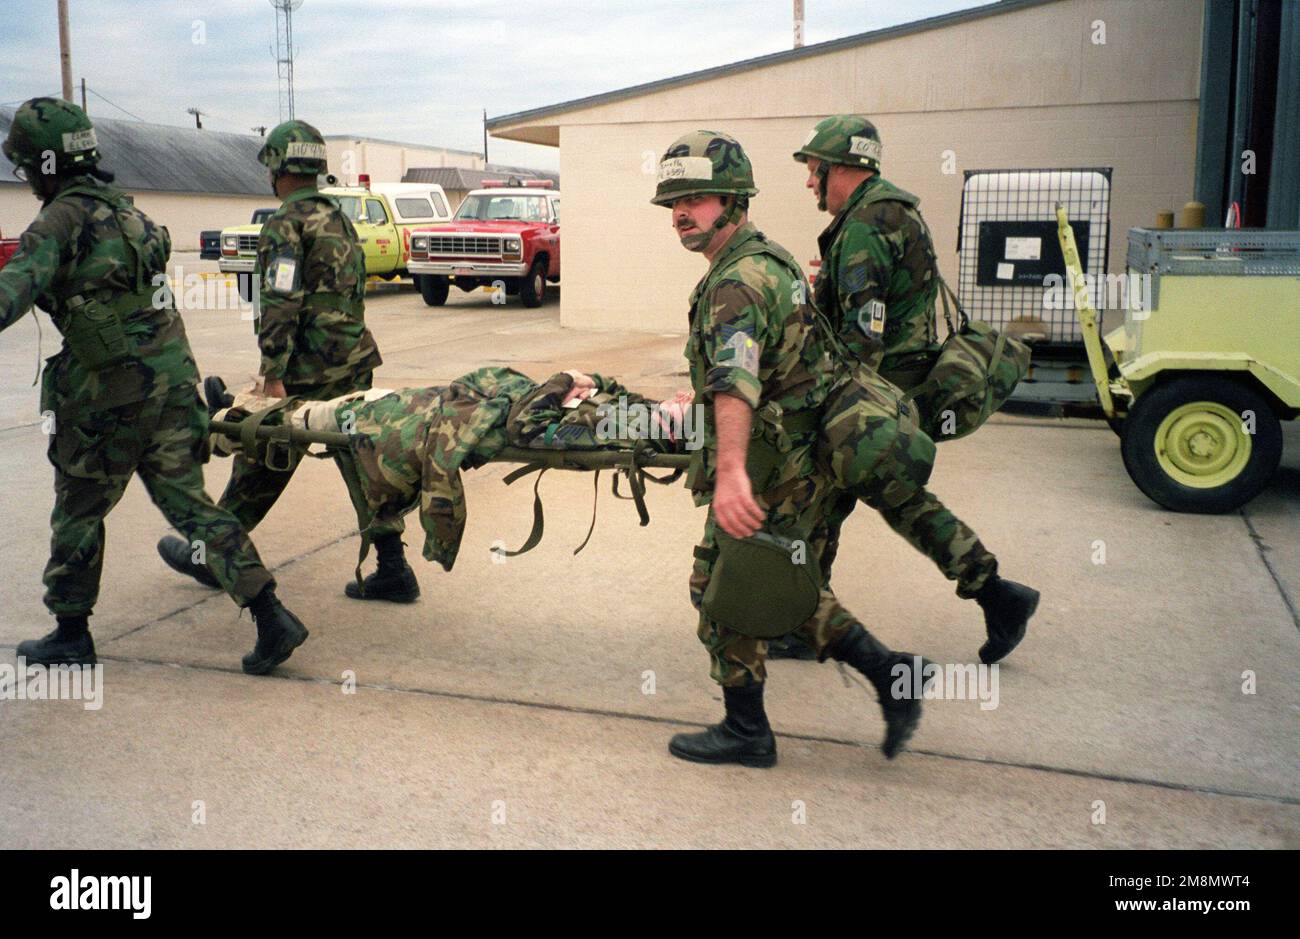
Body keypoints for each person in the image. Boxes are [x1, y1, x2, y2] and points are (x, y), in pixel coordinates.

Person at [0, 97, 307, 675]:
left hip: (106, 399)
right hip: (170, 385)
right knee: (192, 509)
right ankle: (271, 616)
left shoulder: (58, 222)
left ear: (46, 166)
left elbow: (10, 294)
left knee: (79, 511)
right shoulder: (133, 214)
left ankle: (71, 632)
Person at [651, 131, 928, 767]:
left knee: (728, 590)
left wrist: (730, 474)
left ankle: (749, 731)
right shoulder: (767, 260)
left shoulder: (738, 284)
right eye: (674, 202)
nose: (681, 214)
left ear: (735, 201)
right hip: (797, 455)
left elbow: (737, 381)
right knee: (752, 582)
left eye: (697, 199)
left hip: (773, 464)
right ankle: (890, 675)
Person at [787, 114, 1039, 665]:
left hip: (879, 393)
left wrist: (831, 399)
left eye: (813, 170)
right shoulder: (892, 213)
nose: (809, 182)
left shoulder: (863, 226)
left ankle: (996, 593)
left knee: (845, 500)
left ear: (841, 168)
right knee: (853, 503)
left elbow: (864, 335)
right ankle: (806, 620)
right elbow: (887, 300)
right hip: (906, 386)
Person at [155, 119, 414, 602]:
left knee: (260, 461)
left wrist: (273, 374)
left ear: (277, 168)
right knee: (362, 465)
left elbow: (279, 300)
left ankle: (215, 557)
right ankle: (393, 567)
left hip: (306, 372)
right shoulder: (338, 219)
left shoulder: (284, 224)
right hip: (354, 361)